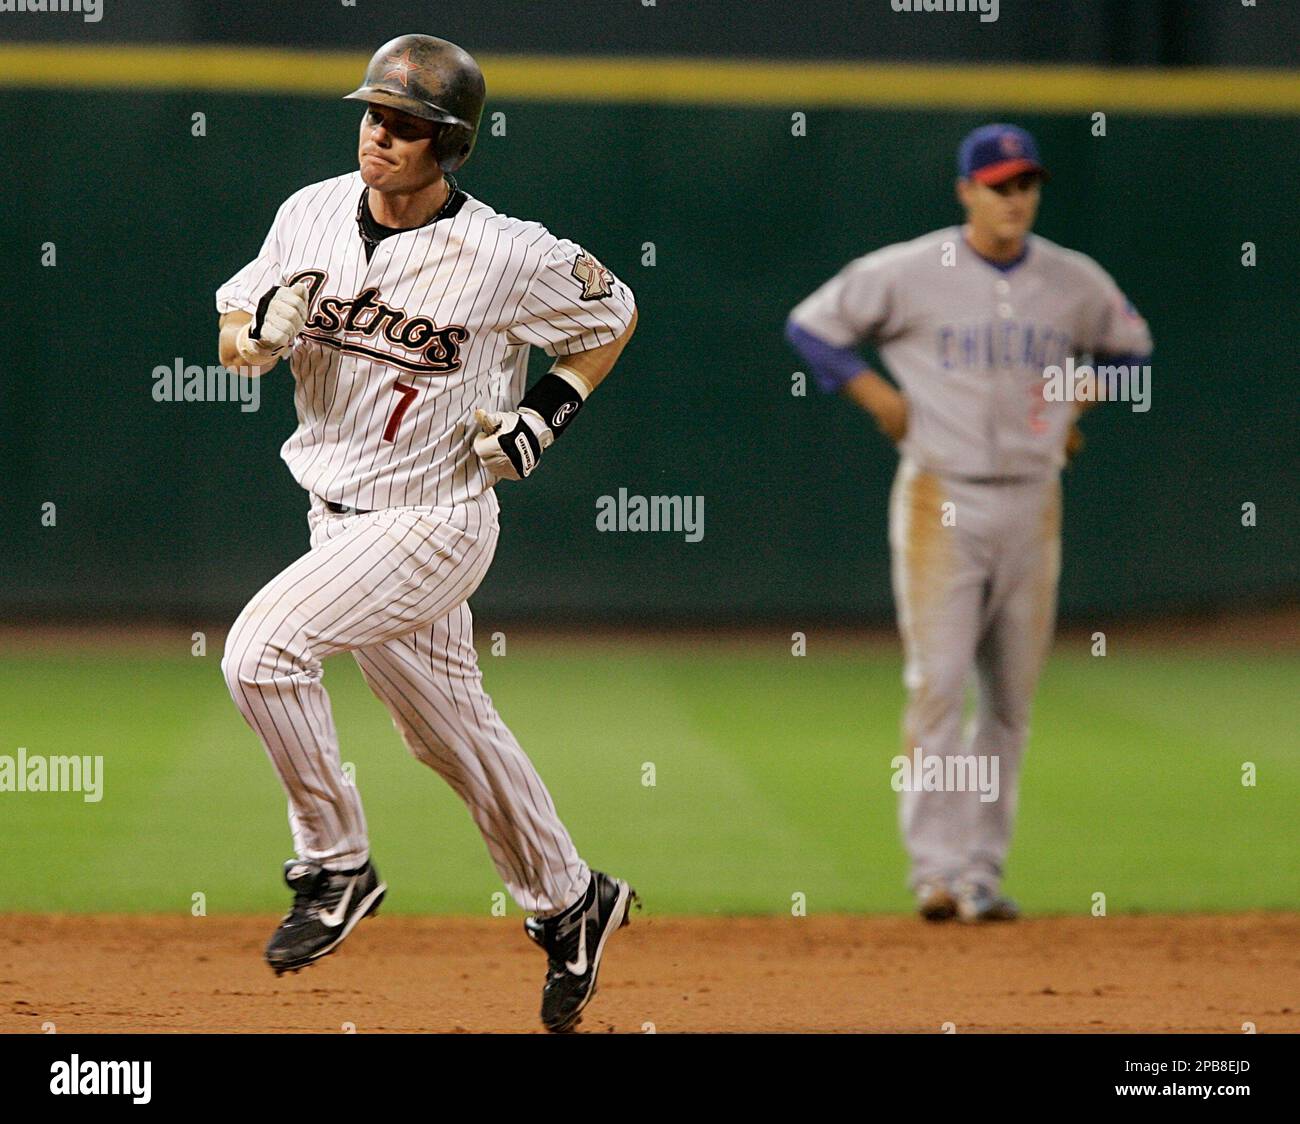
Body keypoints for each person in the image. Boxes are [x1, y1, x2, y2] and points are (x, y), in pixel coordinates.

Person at [215, 34, 638, 1030]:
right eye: (373, 116)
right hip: (338, 516)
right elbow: (235, 322)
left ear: (448, 144)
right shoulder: (310, 210)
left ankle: (334, 863)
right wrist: (255, 341)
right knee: (447, 731)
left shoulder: (505, 252)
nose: (381, 137)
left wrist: (546, 413)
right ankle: (572, 898)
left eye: (406, 126)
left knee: (261, 651)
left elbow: (613, 311)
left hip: (436, 518)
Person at [785, 124, 1152, 922]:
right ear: (967, 191)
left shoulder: (1073, 279)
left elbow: (1131, 349)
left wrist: (1072, 401)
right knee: (939, 686)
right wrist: (878, 397)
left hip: (1033, 498)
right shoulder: (913, 269)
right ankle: (936, 874)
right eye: (999, 185)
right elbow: (811, 325)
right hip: (941, 497)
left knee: (1012, 699)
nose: (1015, 198)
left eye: (1026, 185)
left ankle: (983, 874)